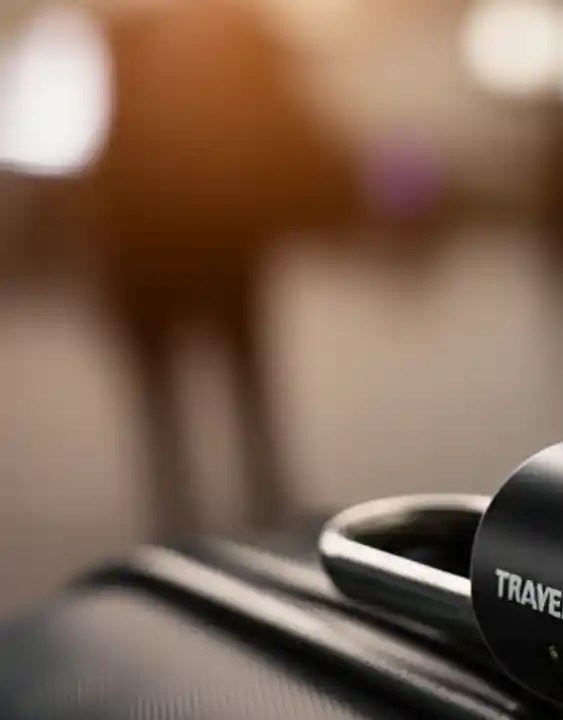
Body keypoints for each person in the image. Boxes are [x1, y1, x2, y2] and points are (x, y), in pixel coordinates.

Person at [92, 0, 352, 536]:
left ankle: (219, 509)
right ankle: (222, 508)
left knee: (220, 388)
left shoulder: (138, 40)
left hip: (203, 241)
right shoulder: (213, 37)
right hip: (174, 244)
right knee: (218, 388)